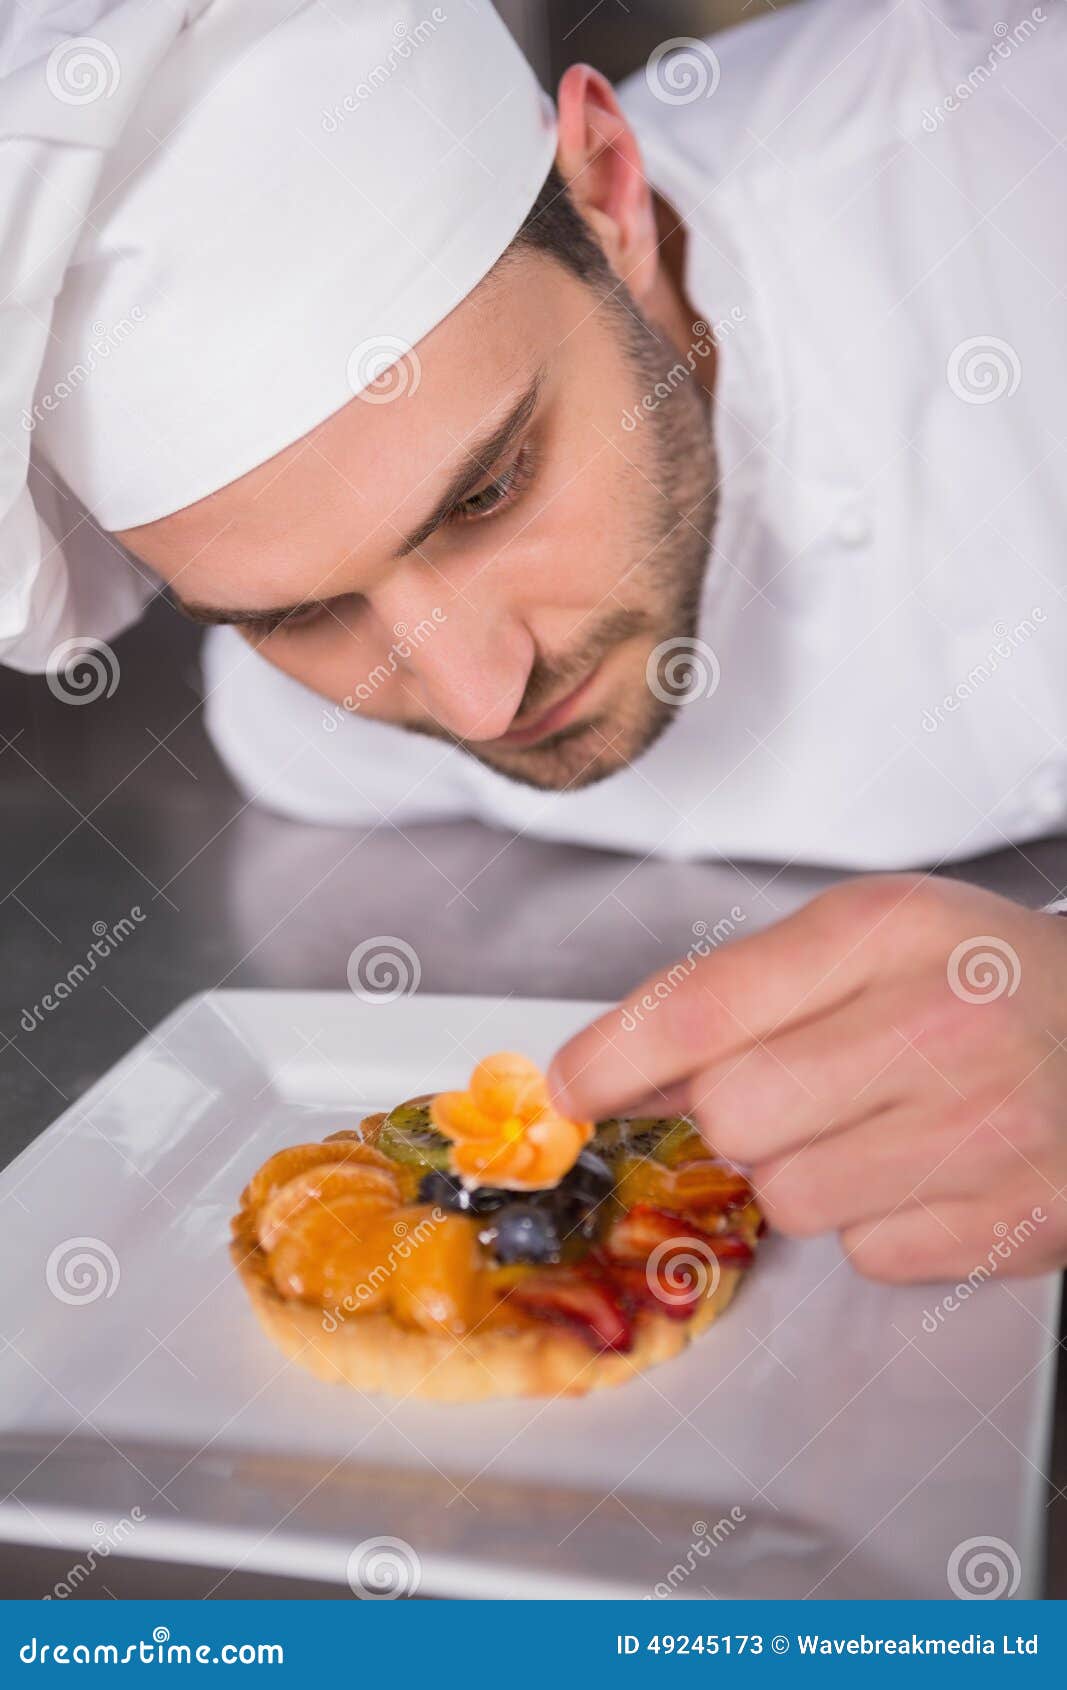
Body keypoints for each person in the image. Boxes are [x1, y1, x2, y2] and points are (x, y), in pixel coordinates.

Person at [3, 0, 1066, 1281]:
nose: (475, 697)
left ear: (609, 191)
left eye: (489, 491)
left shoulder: (1014, 167)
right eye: (300, 614)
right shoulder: (300, 739)